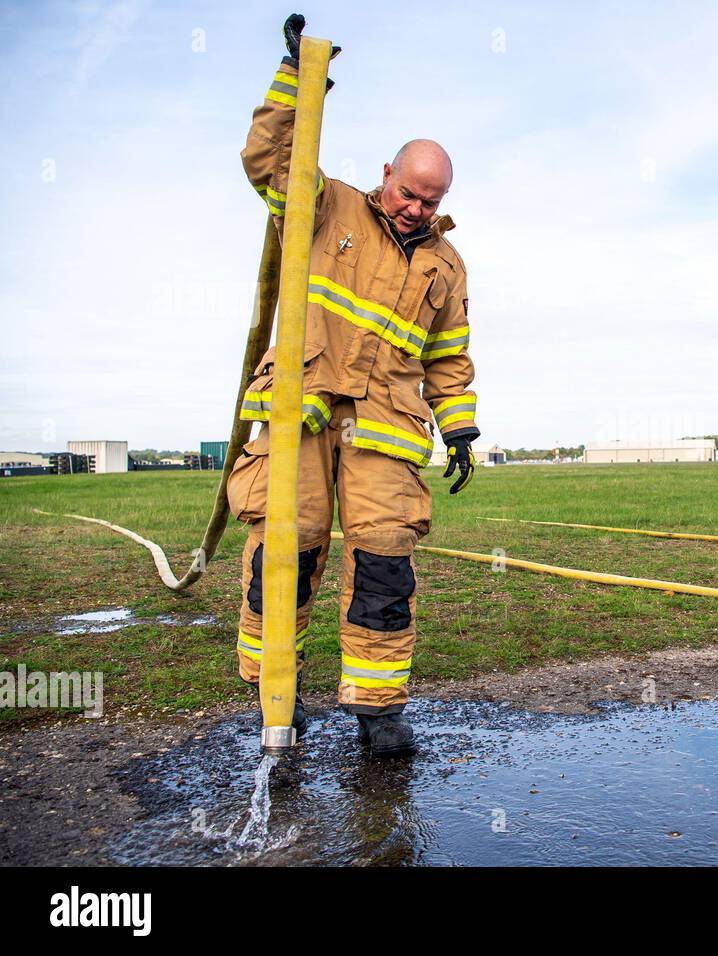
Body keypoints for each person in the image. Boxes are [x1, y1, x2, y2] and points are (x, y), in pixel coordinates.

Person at [226, 13, 480, 756]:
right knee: (286, 553)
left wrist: (459, 424)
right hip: (299, 411)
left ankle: (377, 712)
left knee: (384, 564)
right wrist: (297, 81)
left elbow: (450, 353)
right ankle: (280, 694)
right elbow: (266, 161)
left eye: (431, 202)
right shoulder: (324, 203)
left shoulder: (447, 266)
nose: (418, 210)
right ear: (386, 175)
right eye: (409, 193)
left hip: (386, 430)